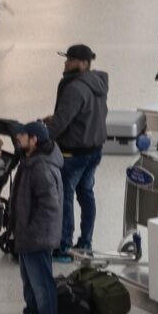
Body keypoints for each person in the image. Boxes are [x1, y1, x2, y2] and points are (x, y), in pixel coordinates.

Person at [42, 44, 107, 259]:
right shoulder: (97, 83)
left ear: (83, 63)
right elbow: (86, 114)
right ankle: (86, 242)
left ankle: (64, 247)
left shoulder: (74, 87)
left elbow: (61, 122)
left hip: (74, 152)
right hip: (94, 149)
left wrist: (42, 137)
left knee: (65, 196)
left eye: (70, 59)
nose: (66, 62)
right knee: (86, 194)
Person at [5, 124, 63, 314]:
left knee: (42, 284)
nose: (18, 138)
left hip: (37, 237)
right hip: (27, 235)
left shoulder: (41, 167)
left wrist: (32, 231)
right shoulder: (28, 161)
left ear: (34, 140)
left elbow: (50, 206)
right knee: (29, 280)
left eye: (22, 135)